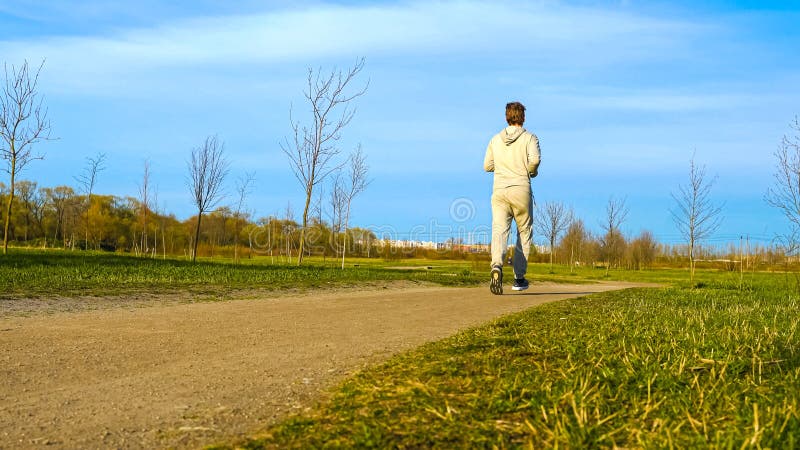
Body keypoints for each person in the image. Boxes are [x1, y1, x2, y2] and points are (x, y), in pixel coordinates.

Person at [483, 101, 541, 295]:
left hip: (499, 190)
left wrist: (501, 165)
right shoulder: (530, 138)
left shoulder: (494, 139)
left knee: (499, 230)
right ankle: (518, 278)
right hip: (520, 189)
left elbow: (487, 166)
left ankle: (497, 266)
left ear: (506, 117)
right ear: (522, 117)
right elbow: (535, 161)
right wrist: (530, 171)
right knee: (524, 232)